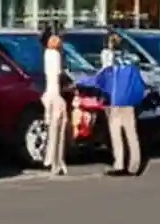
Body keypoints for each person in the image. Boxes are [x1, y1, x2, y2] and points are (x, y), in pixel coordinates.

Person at [76, 48, 146, 176]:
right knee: (131, 133)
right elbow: (141, 85)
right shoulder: (132, 68)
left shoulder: (110, 71)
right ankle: (134, 166)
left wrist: (79, 82)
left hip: (115, 103)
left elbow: (97, 82)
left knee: (116, 134)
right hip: (129, 103)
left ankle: (119, 164)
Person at [41, 29, 69, 176]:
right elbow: (58, 76)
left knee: (54, 127)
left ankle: (52, 160)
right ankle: (56, 161)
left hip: (50, 93)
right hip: (55, 94)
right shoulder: (54, 55)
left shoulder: (47, 54)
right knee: (59, 127)